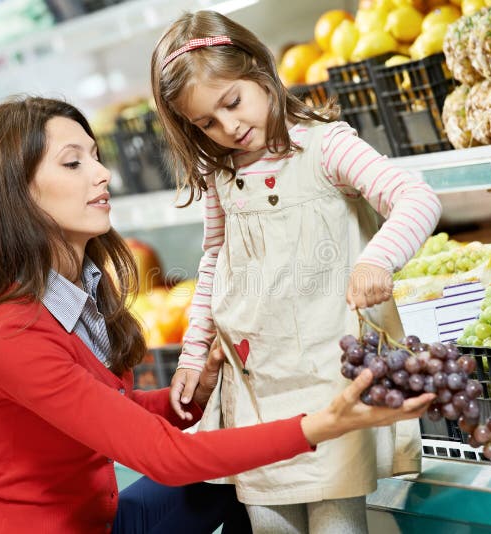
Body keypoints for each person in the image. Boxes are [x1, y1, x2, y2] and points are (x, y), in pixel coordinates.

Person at [0, 95, 436, 534]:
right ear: (17, 194)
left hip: (99, 520)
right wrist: (320, 425)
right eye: (73, 164)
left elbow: (112, 411)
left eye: (96, 155)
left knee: (238, 478)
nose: (102, 173)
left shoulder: (76, 291)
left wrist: (196, 395)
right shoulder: (10, 335)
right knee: (227, 466)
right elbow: (166, 459)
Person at [154, 11, 443, 533]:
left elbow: (416, 197)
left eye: (233, 102)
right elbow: (214, 261)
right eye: (206, 123)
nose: (228, 127)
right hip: (256, 381)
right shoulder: (219, 174)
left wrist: (378, 258)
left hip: (326, 379)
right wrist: (193, 355)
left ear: (261, 72)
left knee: (338, 523)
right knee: (268, 526)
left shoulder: (325, 146)